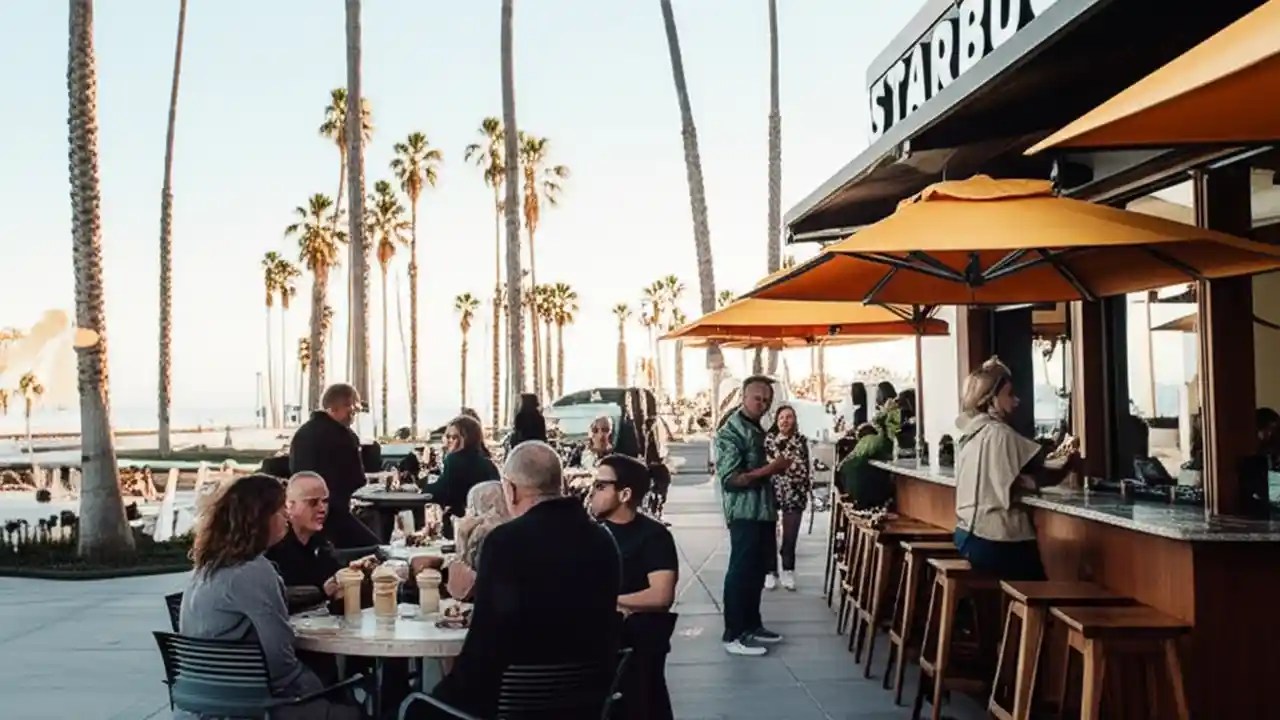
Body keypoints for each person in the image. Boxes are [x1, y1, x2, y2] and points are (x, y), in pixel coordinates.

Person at [416, 442, 621, 719]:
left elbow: (483, 648)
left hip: (512, 704)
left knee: (412, 707)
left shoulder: (505, 542)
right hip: (585, 703)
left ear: (510, 490)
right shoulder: (603, 541)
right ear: (559, 484)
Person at [178, 474, 359, 720]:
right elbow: (281, 659)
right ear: (261, 518)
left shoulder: (207, 567)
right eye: (280, 510)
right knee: (353, 711)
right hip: (252, 705)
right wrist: (319, 688)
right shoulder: (253, 570)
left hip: (204, 699)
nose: (285, 516)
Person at [954, 357, 1078, 581]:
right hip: (995, 540)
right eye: (1009, 395)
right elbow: (1043, 474)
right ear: (991, 399)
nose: (1016, 401)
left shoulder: (969, 434)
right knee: (1042, 589)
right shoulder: (1000, 434)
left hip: (965, 537)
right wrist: (1069, 462)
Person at [589, 453, 677, 720]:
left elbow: (662, 595)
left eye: (601, 486)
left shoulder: (654, 536)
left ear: (624, 494)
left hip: (637, 643)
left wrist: (611, 601)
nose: (592, 492)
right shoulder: (590, 533)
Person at [714, 375, 791, 657]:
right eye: (758, 398)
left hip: (764, 512)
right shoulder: (730, 433)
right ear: (744, 397)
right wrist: (771, 469)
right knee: (741, 571)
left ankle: (751, 624)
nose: (763, 403)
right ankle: (733, 633)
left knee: (758, 568)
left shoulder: (758, 429)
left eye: (767, 399)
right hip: (744, 513)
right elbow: (731, 479)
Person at [289, 383, 380, 548]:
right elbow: (357, 480)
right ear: (345, 407)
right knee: (376, 548)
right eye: (353, 410)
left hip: (302, 516)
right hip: (334, 515)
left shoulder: (301, 433)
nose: (354, 416)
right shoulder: (345, 437)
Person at [265, 472, 342, 602]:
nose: (322, 508)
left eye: (325, 501)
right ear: (289, 505)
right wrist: (320, 593)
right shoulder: (273, 545)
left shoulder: (321, 543)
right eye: (313, 502)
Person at [419, 415, 500, 537]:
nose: (449, 441)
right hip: (489, 526)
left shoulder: (454, 460)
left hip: (460, 525)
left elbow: (442, 492)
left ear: (467, 439)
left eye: (454, 437)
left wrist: (422, 486)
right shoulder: (488, 464)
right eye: (447, 437)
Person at [763, 405, 811, 592]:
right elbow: (769, 464)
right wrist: (780, 466)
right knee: (768, 533)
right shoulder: (769, 440)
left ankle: (788, 569)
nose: (785, 420)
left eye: (789, 417)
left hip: (794, 492)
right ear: (776, 420)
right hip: (771, 491)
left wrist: (781, 466)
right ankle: (770, 571)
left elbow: (802, 467)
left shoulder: (801, 441)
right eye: (781, 417)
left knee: (790, 535)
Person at [445, 480, 511, 601]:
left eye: (469, 507)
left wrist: (462, 538)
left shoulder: (483, 535)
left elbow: (460, 590)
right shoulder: (512, 528)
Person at [836, 420, 895, 509]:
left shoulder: (857, 450)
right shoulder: (882, 440)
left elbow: (839, 470)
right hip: (877, 494)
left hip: (857, 495)